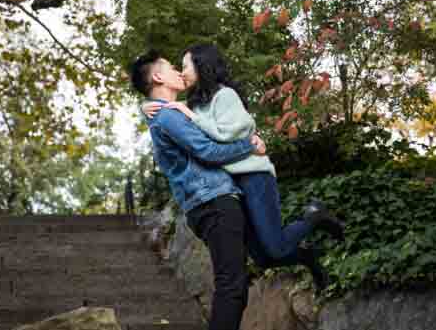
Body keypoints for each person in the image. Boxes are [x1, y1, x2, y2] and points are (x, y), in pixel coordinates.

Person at [141, 44, 344, 285]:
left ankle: (314, 217)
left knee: (275, 247)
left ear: (201, 65)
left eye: (185, 66)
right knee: (263, 258)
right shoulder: (195, 103)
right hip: (230, 186)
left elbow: (227, 136)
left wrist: (190, 115)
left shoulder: (225, 95)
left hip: (254, 176)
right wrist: (146, 107)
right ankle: (308, 257)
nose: (182, 72)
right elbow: (168, 115)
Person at [129, 50, 260, 330]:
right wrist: (250, 144)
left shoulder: (166, 114)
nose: (179, 71)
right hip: (213, 200)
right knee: (232, 281)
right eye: (172, 68)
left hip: (209, 201)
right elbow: (207, 150)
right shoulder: (168, 117)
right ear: (158, 77)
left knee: (235, 278)